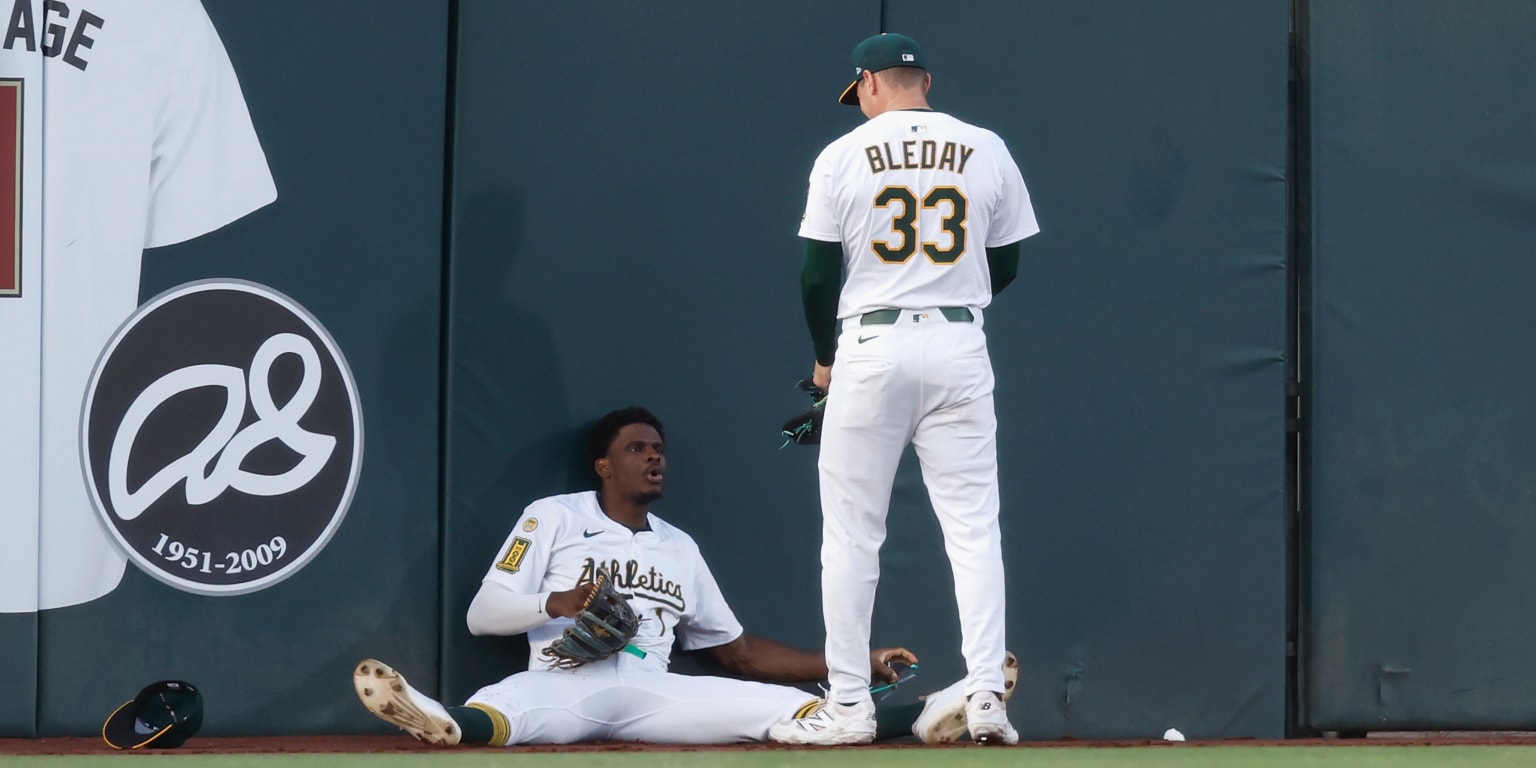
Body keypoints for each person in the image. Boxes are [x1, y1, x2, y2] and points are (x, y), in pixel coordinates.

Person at [354, 406, 1017, 746]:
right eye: (636, 449)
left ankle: (929, 715)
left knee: (800, 715)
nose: (653, 459)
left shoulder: (680, 547)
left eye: (659, 451)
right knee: (506, 710)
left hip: (654, 690)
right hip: (562, 678)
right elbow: (483, 613)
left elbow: (740, 654)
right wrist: (555, 601)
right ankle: (437, 722)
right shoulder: (554, 516)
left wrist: (857, 664)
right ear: (603, 465)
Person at [775, 32, 1039, 746]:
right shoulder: (985, 145)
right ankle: (986, 695)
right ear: (923, 80)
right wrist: (953, 295)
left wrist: (825, 361)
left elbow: (815, 275)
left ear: (869, 84)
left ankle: (851, 708)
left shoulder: (841, 154)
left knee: (854, 536)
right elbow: (1006, 261)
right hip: (959, 339)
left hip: (871, 340)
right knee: (974, 531)